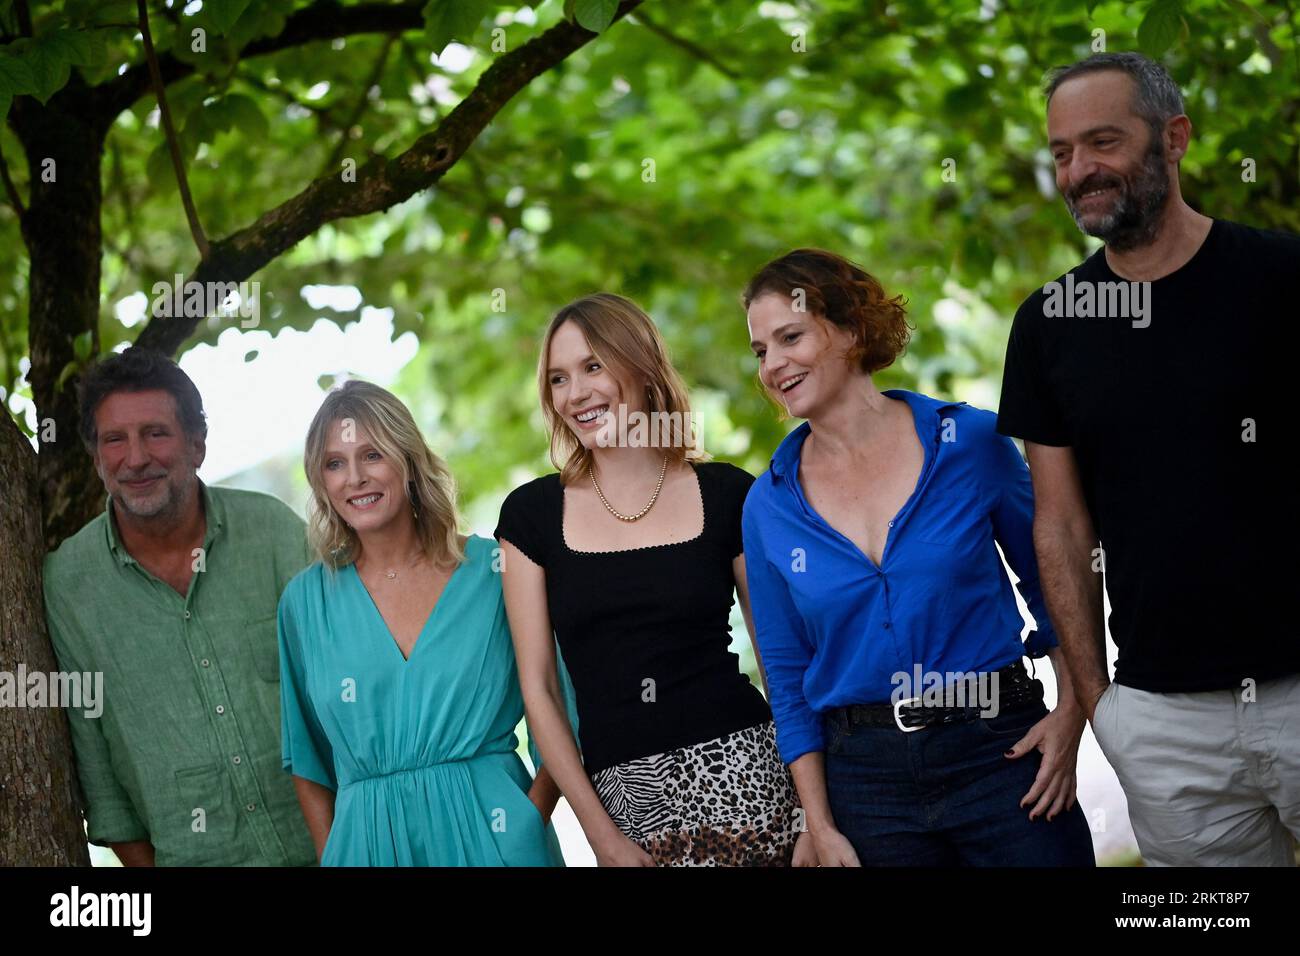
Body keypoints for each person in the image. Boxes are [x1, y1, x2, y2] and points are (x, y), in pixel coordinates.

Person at [997, 52, 1300, 866]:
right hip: (1164, 721)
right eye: (1062, 152)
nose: (1081, 170)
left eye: (1103, 142)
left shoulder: (1282, 277)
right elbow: (1059, 523)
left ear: (1174, 138)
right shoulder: (1050, 325)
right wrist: (1101, 704)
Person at [742, 249, 1096, 866]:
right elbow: (786, 672)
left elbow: (1053, 581)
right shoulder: (768, 504)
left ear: (851, 329)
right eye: (760, 352)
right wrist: (818, 823)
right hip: (866, 787)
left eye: (789, 337)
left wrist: (1073, 711)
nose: (773, 365)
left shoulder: (971, 445)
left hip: (1001, 756)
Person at [495, 293, 809, 866]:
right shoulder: (530, 516)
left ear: (640, 367)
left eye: (593, 366)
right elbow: (539, 693)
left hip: (752, 778)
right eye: (559, 378)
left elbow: (779, 660)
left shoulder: (727, 493)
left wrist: (813, 812)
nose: (577, 393)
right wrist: (601, 838)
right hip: (627, 804)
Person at [44, 346, 316, 866]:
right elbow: (100, 778)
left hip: (332, 851)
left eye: (156, 433)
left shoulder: (275, 533)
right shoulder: (69, 585)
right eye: (115, 440)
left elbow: (353, 693)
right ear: (96, 459)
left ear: (197, 444)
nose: (137, 457)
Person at [278, 379, 566, 866]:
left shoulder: (494, 571)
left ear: (408, 462)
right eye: (334, 463)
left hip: (494, 837)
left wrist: (525, 824)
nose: (354, 478)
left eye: (372, 455)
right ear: (321, 482)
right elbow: (306, 759)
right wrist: (339, 856)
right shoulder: (305, 603)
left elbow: (556, 708)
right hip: (367, 848)